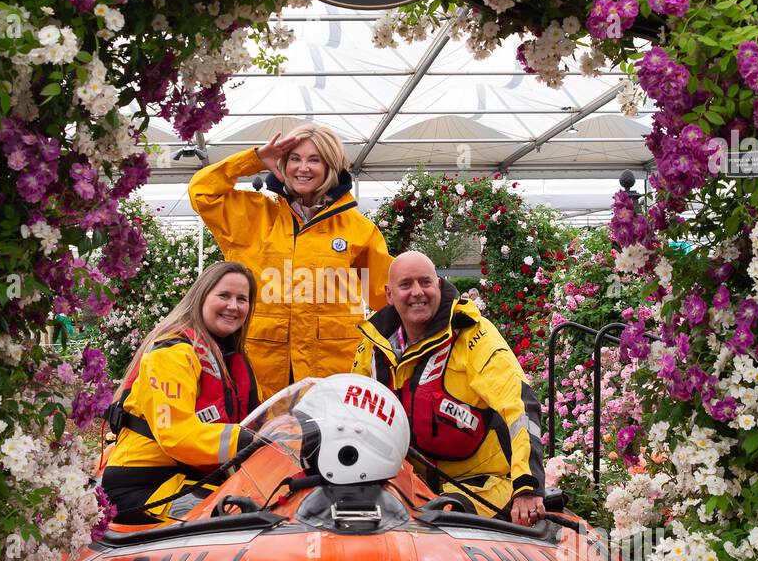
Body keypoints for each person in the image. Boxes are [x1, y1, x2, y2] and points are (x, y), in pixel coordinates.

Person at [189, 124, 394, 399]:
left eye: (314, 160)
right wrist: (254, 159)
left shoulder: (359, 231)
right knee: (259, 441)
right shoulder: (252, 216)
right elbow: (202, 191)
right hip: (260, 373)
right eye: (295, 159)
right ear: (283, 165)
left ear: (330, 166)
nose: (303, 168)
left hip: (332, 375)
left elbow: (386, 294)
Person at [351, 251, 547, 526]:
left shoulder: (473, 335)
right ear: (389, 294)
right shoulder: (373, 347)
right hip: (405, 489)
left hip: (480, 488)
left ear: (439, 286)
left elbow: (519, 405)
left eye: (426, 282)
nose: (417, 292)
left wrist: (527, 487)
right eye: (406, 285)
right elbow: (350, 413)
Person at [101, 262, 260, 523]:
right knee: (244, 520)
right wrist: (247, 440)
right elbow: (176, 435)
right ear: (201, 298)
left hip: (190, 478)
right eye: (224, 296)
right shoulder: (173, 352)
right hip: (145, 486)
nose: (234, 306)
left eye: (242, 299)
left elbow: (261, 417)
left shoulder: (230, 358)